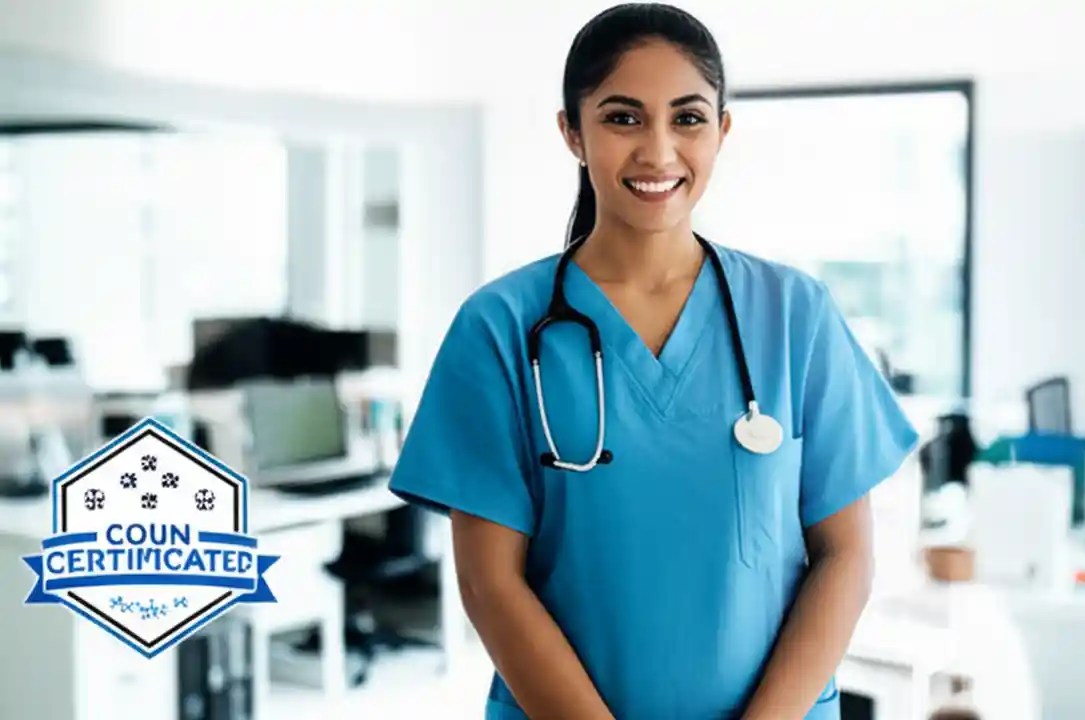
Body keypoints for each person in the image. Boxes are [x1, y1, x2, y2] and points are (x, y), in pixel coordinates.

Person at [388, 4, 919, 718]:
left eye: (689, 118)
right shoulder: (501, 328)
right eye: (623, 117)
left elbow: (846, 557)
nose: (659, 151)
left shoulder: (794, 315)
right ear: (572, 132)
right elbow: (490, 585)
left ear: (722, 130)